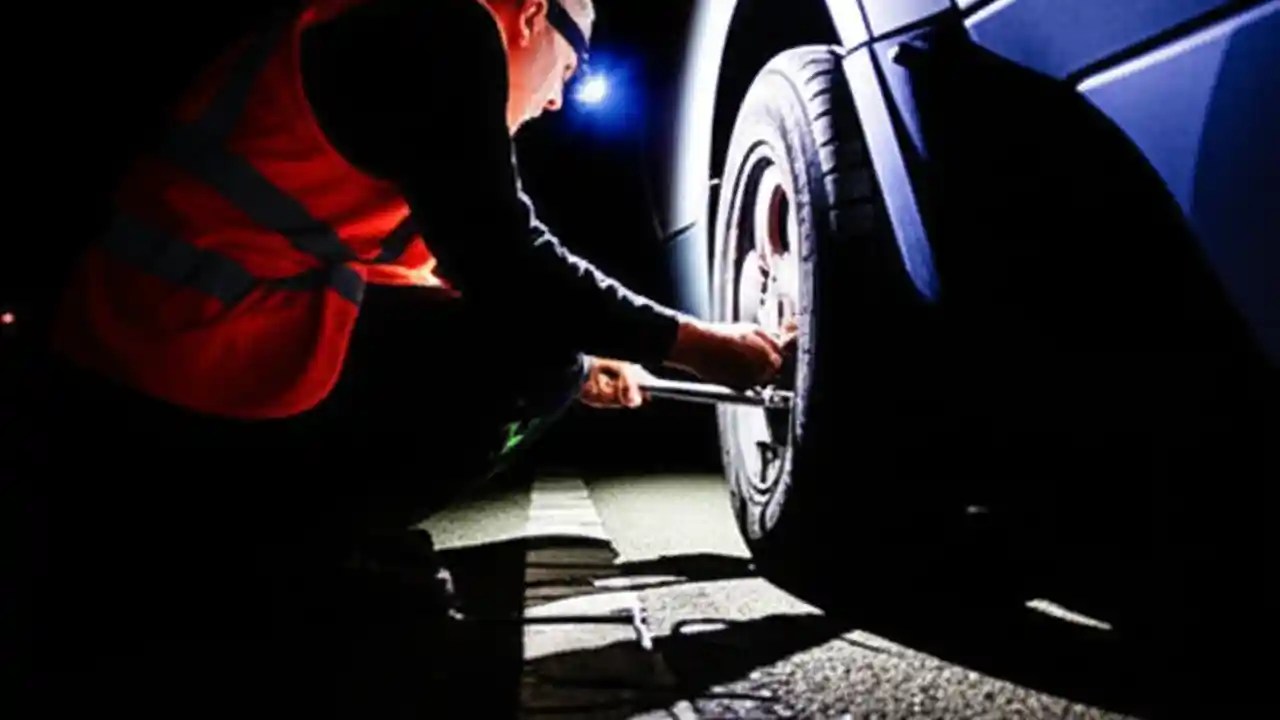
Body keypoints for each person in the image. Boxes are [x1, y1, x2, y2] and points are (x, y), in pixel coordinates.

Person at [28, 0, 792, 693]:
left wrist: (595, 362)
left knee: (552, 356)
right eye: (570, 65)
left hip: (143, 359)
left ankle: (269, 538)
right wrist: (695, 343)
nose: (560, 96)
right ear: (531, 16)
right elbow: (508, 262)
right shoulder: (443, 28)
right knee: (534, 362)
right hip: (166, 366)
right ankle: (293, 556)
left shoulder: (408, 49)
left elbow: (421, 284)